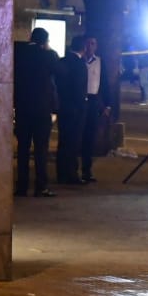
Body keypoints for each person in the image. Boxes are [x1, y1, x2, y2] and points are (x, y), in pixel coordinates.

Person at [13, 28, 59, 198]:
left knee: (23, 148)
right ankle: (41, 186)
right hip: (42, 109)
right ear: (45, 41)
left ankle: (22, 186)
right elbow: (60, 73)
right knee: (41, 149)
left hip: (23, 108)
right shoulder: (48, 56)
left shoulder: (20, 54)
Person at [55, 36, 90, 185]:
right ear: (84, 48)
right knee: (74, 142)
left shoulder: (62, 61)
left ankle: (61, 173)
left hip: (63, 106)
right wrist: (83, 104)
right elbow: (79, 88)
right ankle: (71, 174)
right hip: (76, 108)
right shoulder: (80, 64)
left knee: (63, 141)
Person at [79, 36, 104, 184]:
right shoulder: (77, 60)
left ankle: (87, 171)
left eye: (93, 43)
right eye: (88, 43)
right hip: (79, 101)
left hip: (93, 101)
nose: (90, 46)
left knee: (89, 137)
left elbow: (104, 83)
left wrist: (106, 105)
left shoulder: (100, 62)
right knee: (77, 137)